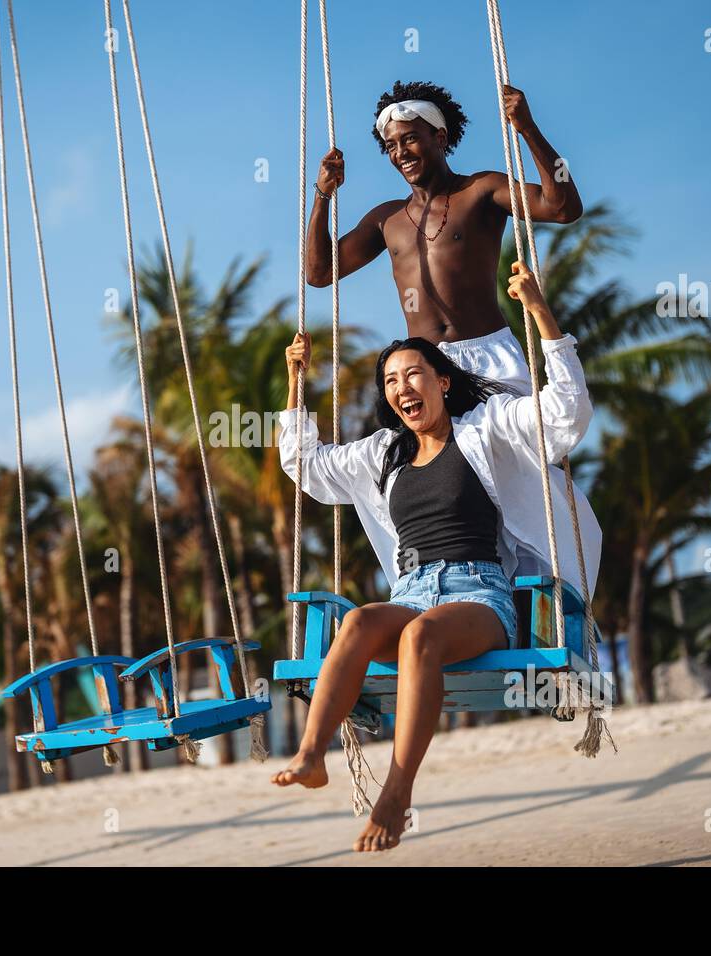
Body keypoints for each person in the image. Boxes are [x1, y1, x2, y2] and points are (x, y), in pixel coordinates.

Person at [271, 263, 601, 853]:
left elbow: (565, 414)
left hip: (480, 595)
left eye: (413, 374)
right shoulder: (382, 456)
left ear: (442, 381)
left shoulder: (488, 429)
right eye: (391, 380)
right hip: (413, 591)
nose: (402, 387)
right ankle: (311, 754)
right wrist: (296, 382)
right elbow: (308, 469)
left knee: (418, 639)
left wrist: (541, 314)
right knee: (360, 621)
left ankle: (396, 794)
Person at [306, 79, 583, 396]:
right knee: (427, 448)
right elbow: (319, 273)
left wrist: (528, 129)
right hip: (426, 367)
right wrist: (322, 196)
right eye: (392, 146)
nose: (400, 153)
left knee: (522, 443)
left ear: (439, 137)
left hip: (490, 356)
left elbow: (563, 209)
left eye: (409, 139)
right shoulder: (386, 219)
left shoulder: (480, 190)